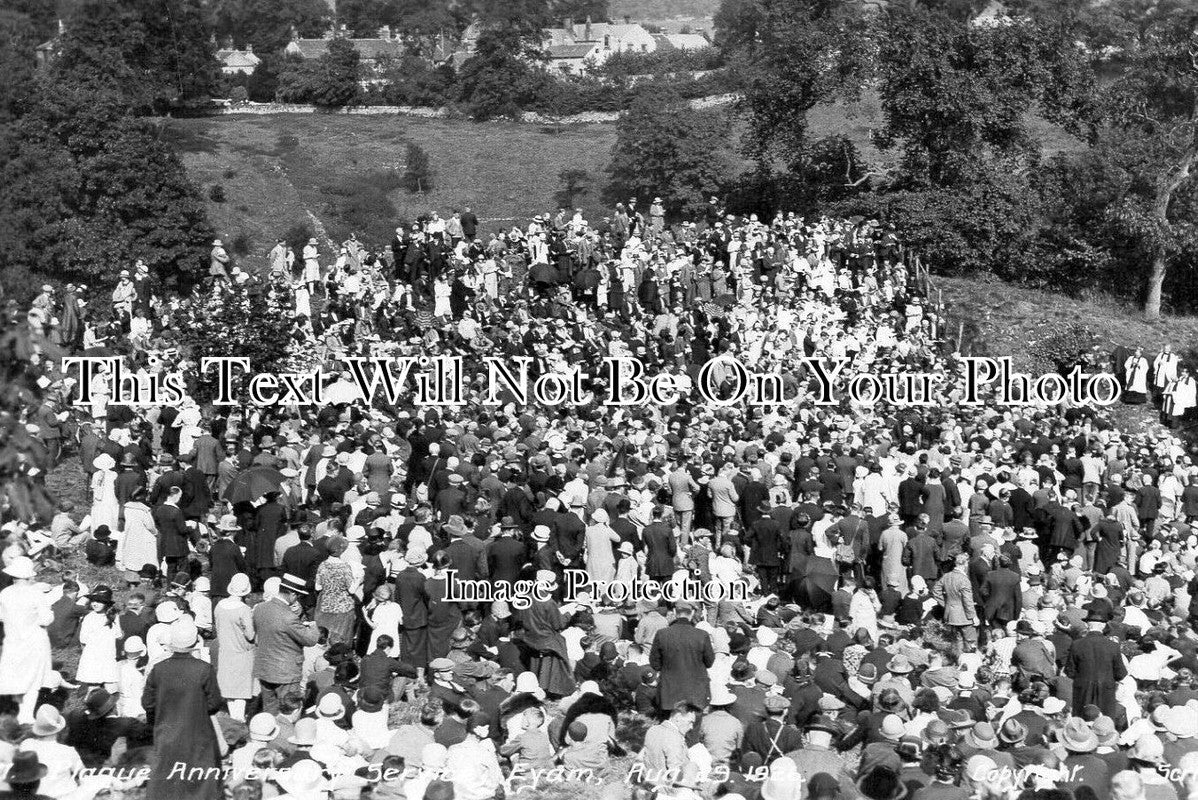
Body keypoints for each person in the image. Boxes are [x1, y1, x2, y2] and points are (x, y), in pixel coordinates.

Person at [142, 615, 224, 800]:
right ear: (194, 642)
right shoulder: (204, 669)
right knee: (201, 780)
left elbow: (148, 703)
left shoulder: (159, 669)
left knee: (168, 778)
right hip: (198, 730)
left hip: (167, 731)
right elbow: (214, 703)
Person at [253, 573, 321, 714]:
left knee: (269, 709)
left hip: (265, 668)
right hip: (286, 673)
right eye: (298, 596)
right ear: (292, 594)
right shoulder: (289, 617)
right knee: (289, 711)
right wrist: (313, 626)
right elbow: (311, 640)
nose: (297, 599)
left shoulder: (260, 608)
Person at [0, 558, 53, 724]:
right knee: (34, 678)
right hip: (34, 640)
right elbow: (45, 619)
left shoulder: (5, 593)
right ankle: (26, 714)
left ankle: (17, 708)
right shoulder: (35, 593)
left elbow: (1, 616)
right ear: (29, 576)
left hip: (14, 639)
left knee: (18, 676)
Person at [215, 572, 256, 721]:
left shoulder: (219, 605)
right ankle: (238, 720)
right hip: (241, 653)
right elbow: (250, 635)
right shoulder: (244, 609)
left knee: (230, 690)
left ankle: (233, 718)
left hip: (225, 651)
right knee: (240, 691)